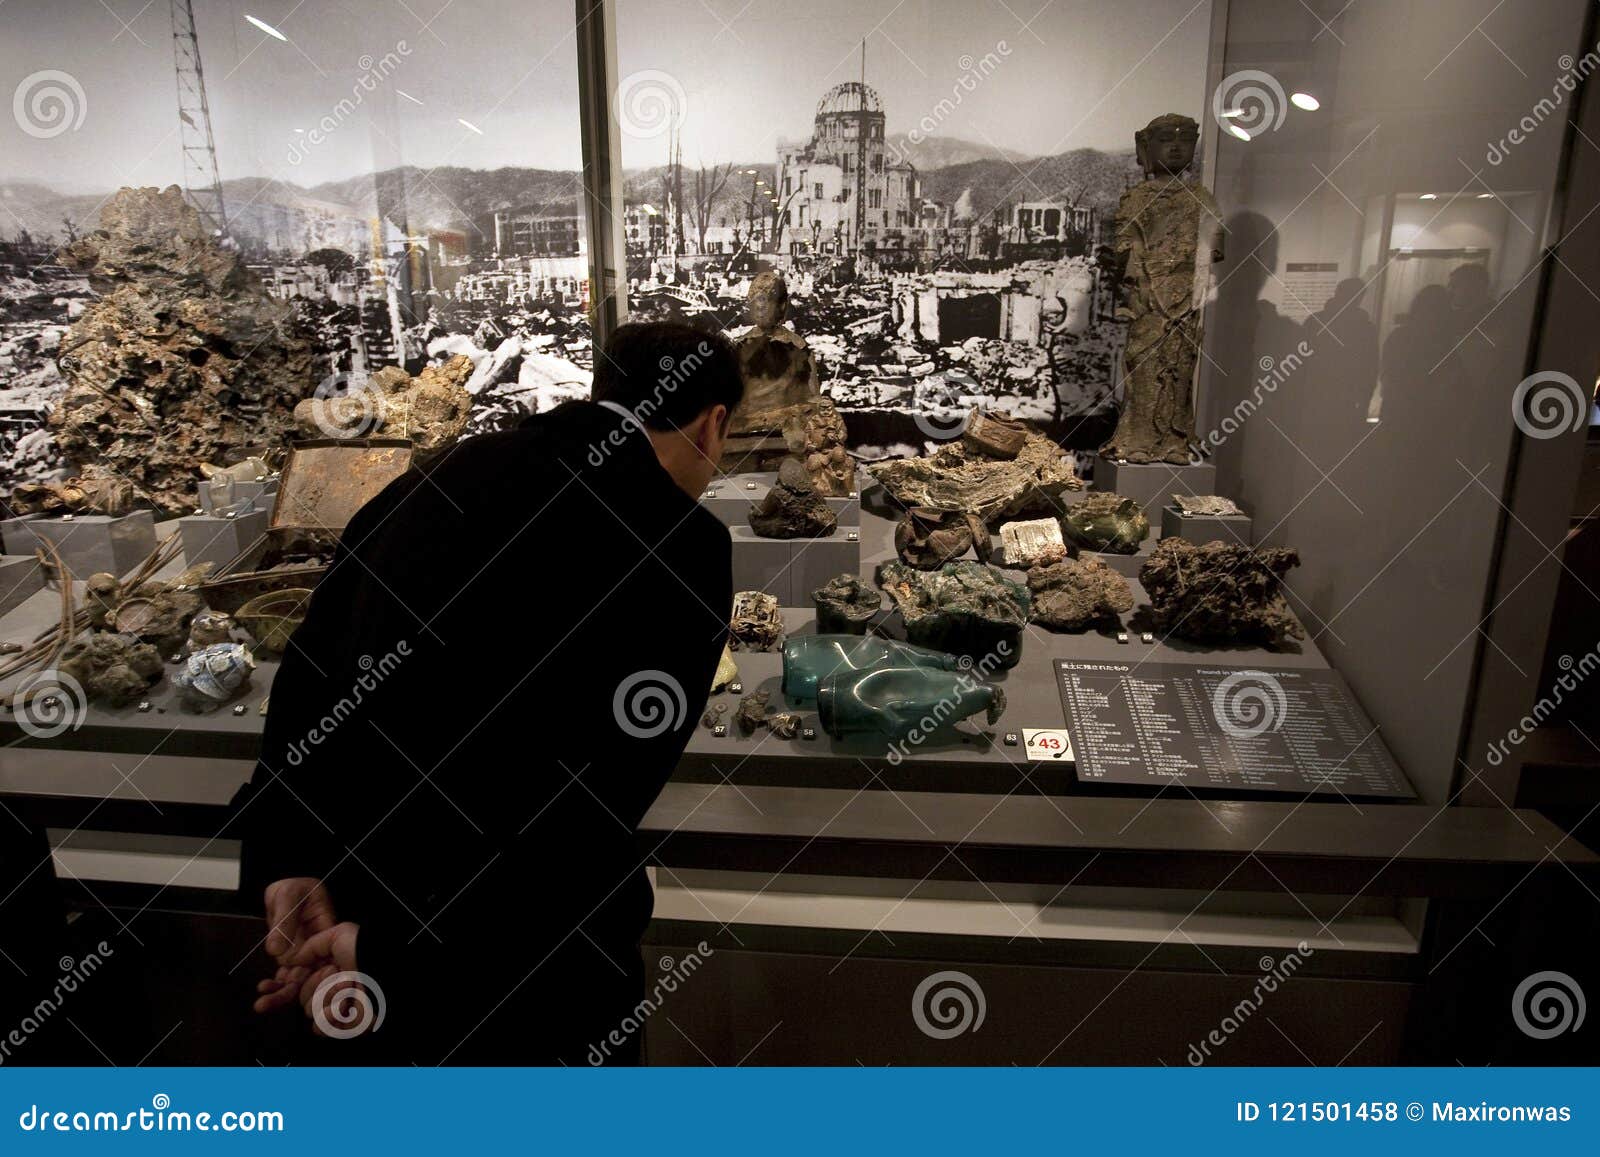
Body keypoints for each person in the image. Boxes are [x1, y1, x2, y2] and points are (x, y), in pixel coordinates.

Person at [235, 321, 741, 1064]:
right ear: (714, 423)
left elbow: (313, 675)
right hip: (533, 983)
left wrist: (289, 859)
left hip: (349, 924)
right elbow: (589, 804)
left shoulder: (433, 477)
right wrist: (397, 947)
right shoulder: (684, 544)